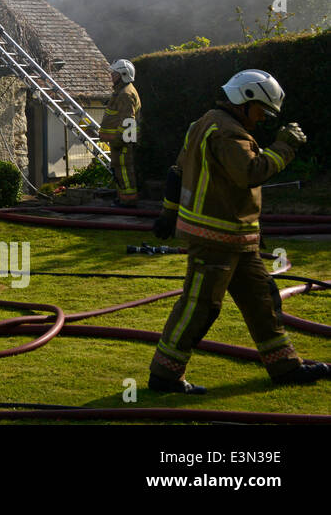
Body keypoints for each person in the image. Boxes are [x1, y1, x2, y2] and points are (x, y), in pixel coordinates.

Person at [148, 69, 330, 392]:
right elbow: (249, 172)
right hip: (214, 240)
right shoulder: (228, 133)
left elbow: (176, 172)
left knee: (263, 300)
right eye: (261, 110)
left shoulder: (203, 123)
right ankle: (165, 374)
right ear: (245, 101)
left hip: (237, 240)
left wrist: (168, 212)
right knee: (200, 307)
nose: (262, 119)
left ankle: (285, 367)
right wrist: (284, 147)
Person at [99, 59, 141, 203]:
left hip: (123, 142)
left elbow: (128, 121)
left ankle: (128, 201)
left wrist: (119, 141)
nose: (111, 75)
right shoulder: (122, 91)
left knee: (124, 170)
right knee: (120, 170)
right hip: (120, 140)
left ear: (123, 74)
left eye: (114, 73)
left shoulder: (125, 94)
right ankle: (123, 198)